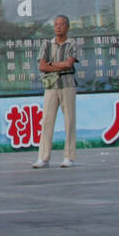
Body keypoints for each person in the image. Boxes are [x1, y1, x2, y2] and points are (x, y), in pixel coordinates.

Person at [34, 15, 80, 169]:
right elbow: (42, 66)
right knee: (46, 121)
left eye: (61, 25)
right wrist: (57, 67)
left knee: (69, 121)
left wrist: (51, 64)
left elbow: (68, 64)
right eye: (55, 24)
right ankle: (43, 157)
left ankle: (69, 157)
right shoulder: (47, 44)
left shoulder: (72, 44)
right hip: (51, 85)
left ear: (67, 27)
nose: (58, 27)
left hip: (67, 84)